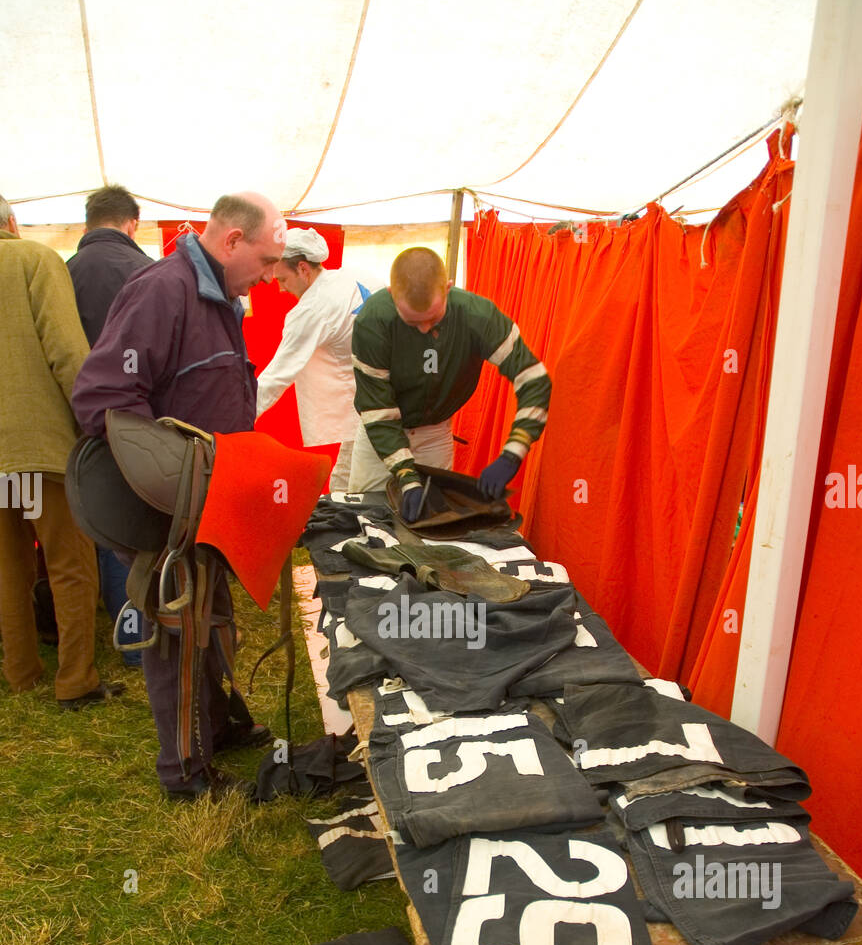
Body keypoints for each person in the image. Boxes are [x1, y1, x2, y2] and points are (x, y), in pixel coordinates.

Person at [72, 192, 286, 800]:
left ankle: (216, 727)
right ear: (232, 242)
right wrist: (174, 479)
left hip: (206, 504)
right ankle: (185, 774)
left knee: (210, 616)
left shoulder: (220, 297)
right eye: (266, 261)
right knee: (177, 632)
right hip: (167, 510)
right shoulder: (162, 290)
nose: (271, 276)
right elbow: (104, 398)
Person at [0, 193, 121, 710]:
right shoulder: (33, 259)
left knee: (8, 568)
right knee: (70, 563)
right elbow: (68, 351)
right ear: (11, 221)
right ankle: (75, 681)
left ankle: (22, 674)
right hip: (39, 446)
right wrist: (100, 424)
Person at [349, 247, 552, 519]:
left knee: (432, 524)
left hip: (435, 433)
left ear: (448, 288)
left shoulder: (477, 316)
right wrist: (407, 476)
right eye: (411, 322)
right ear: (390, 293)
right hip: (380, 434)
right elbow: (378, 409)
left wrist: (514, 451)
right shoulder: (373, 321)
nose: (423, 329)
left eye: (433, 319)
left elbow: (534, 379)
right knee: (366, 518)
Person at [68, 184, 155, 668]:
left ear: (88, 222)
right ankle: (148, 642)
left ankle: (126, 638)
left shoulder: (63, 273)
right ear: (131, 224)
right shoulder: (149, 272)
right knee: (144, 527)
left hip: (86, 420)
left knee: (105, 526)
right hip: (142, 421)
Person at [256, 228, 372, 491]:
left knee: (358, 491)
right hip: (386, 398)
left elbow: (276, 376)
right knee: (343, 483)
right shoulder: (352, 276)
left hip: (379, 409)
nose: (282, 290)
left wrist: (237, 419)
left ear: (303, 268)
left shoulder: (312, 309)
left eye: (283, 280)